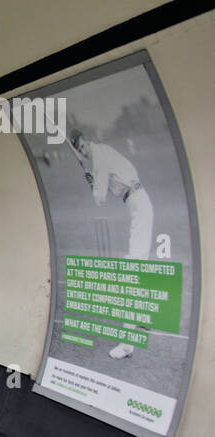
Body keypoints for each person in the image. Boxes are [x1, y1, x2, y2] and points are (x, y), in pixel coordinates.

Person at [70, 128, 154, 359]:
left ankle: (127, 345)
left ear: (87, 142)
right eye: (79, 150)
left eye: (82, 147)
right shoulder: (103, 152)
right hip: (139, 203)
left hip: (138, 203)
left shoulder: (98, 154)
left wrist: (94, 185)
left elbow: (100, 198)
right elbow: (111, 181)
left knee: (131, 272)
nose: (83, 151)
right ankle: (143, 317)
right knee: (139, 267)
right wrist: (96, 180)